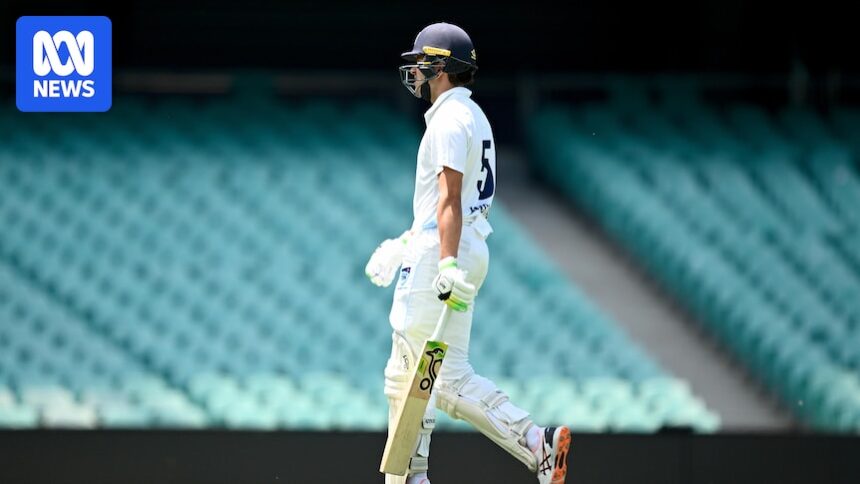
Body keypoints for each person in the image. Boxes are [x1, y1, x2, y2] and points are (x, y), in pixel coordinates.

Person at [365, 22, 571, 484]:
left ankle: (414, 478)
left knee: (409, 371)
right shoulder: (474, 117)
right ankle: (535, 442)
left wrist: (443, 261)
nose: (416, 71)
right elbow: (454, 205)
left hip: (446, 256)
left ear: (441, 66)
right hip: (468, 249)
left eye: (422, 62)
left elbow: (450, 199)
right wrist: (405, 244)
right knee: (444, 376)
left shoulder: (449, 120)